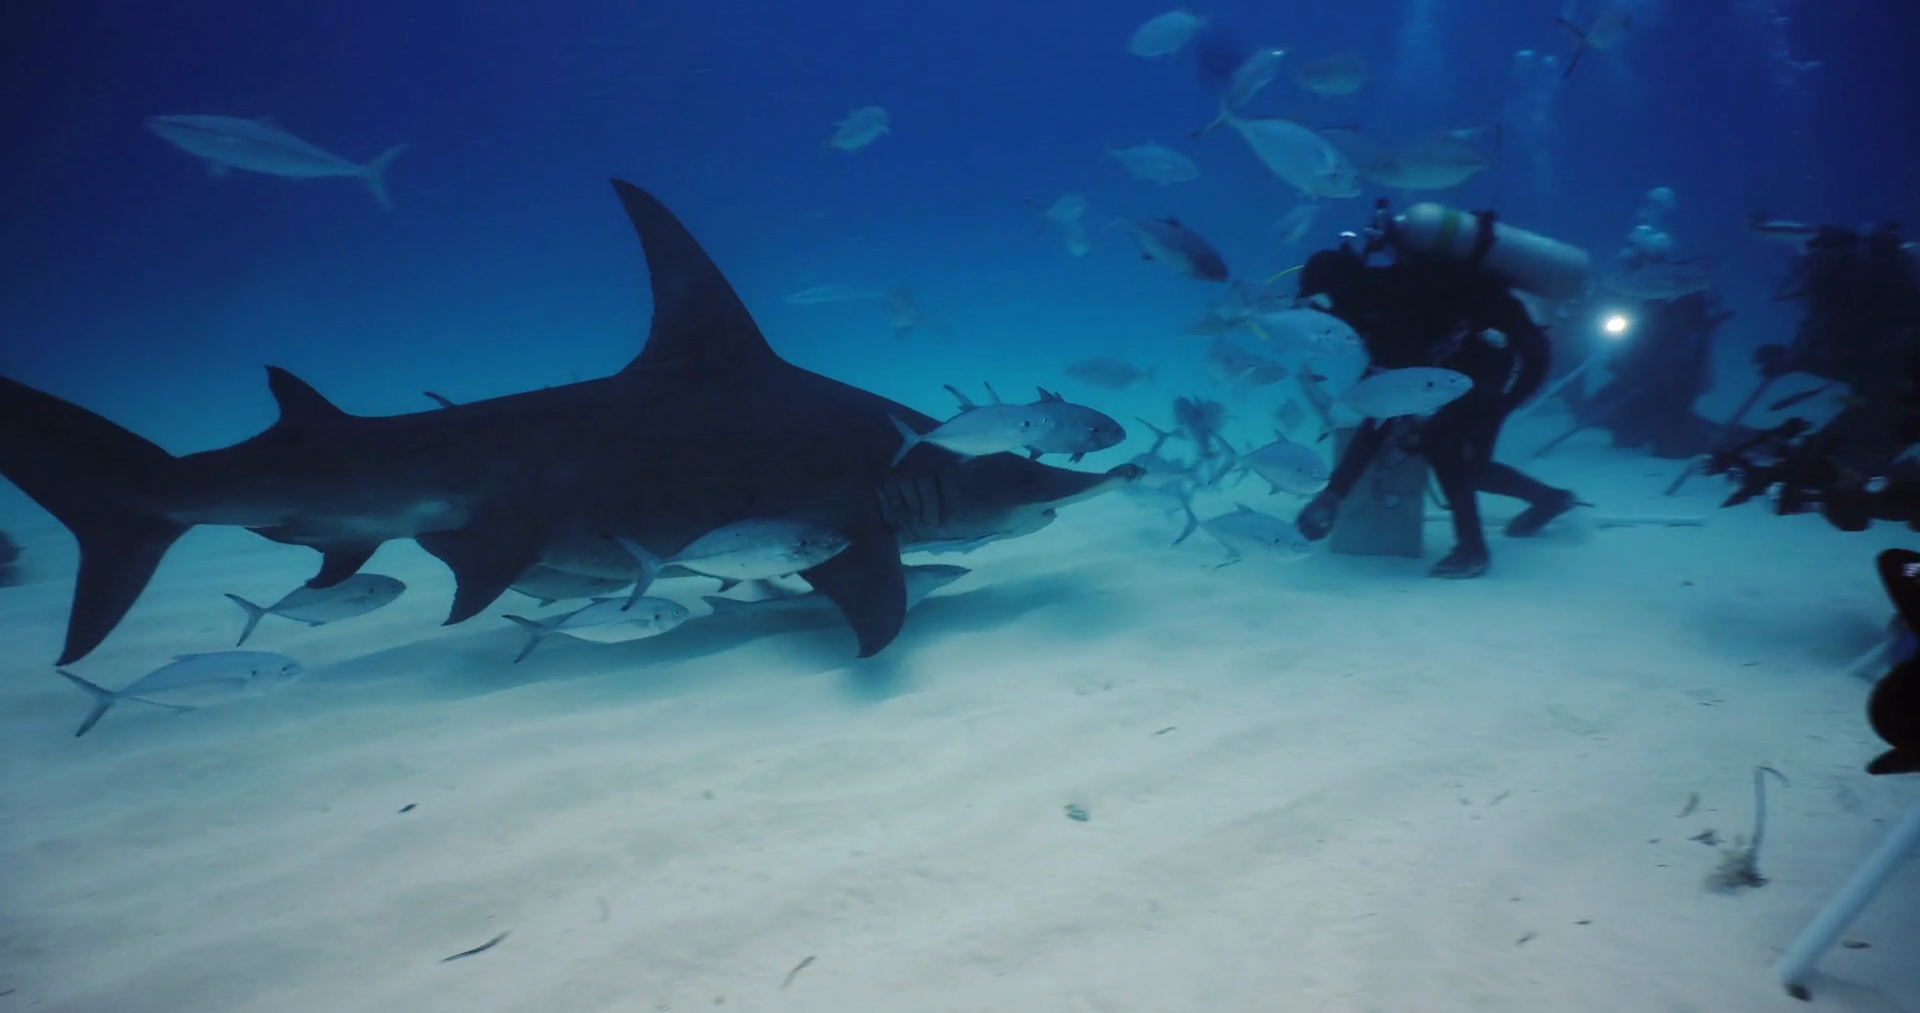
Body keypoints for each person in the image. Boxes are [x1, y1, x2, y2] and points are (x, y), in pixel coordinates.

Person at [1294, 230, 1583, 578]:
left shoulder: (1390, 307)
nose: (1324, 319)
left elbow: (1379, 413)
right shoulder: (1377, 311)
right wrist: (1334, 495)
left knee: (1442, 440)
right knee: (1471, 464)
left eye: (1322, 306)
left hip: (1504, 357)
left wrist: (1334, 493)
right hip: (1491, 359)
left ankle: (1472, 549)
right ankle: (1551, 500)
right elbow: (1381, 407)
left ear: (1338, 292)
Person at [1723, 221, 1920, 531]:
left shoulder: (1852, 287)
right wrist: (1793, 361)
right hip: (1893, 385)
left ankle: (1880, 499)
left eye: (1813, 256)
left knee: (1850, 449)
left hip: (1898, 388)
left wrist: (1794, 361)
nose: (1808, 266)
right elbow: (1853, 354)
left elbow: (1856, 354)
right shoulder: (1863, 285)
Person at [1575, 290, 1736, 458]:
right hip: (1637, 378)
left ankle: (1728, 437)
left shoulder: (1687, 308)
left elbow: (1690, 354)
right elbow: (1629, 345)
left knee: (1677, 443)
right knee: (1612, 420)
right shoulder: (1648, 303)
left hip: (1667, 384)